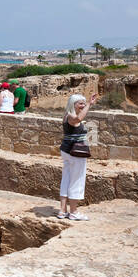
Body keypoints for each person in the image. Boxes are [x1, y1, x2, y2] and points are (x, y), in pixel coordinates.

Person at [59, 92, 97, 221]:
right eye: (80, 103)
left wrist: (87, 105)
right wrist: (89, 105)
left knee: (67, 179)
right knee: (77, 181)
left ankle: (62, 211)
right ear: (73, 104)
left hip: (66, 150)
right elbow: (78, 120)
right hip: (75, 152)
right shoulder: (71, 116)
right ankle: (74, 212)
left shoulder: (66, 115)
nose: (82, 105)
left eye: (83, 103)